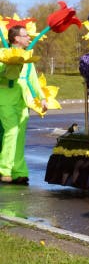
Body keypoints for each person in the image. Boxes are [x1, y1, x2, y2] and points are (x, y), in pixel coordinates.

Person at [0, 26, 45, 185]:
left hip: (22, 101)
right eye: (25, 36)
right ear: (16, 39)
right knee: (11, 132)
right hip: (4, 99)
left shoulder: (27, 57)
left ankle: (19, 171)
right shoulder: (2, 54)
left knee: (19, 137)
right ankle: (4, 170)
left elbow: (33, 80)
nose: (29, 38)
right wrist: (7, 68)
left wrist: (42, 98)